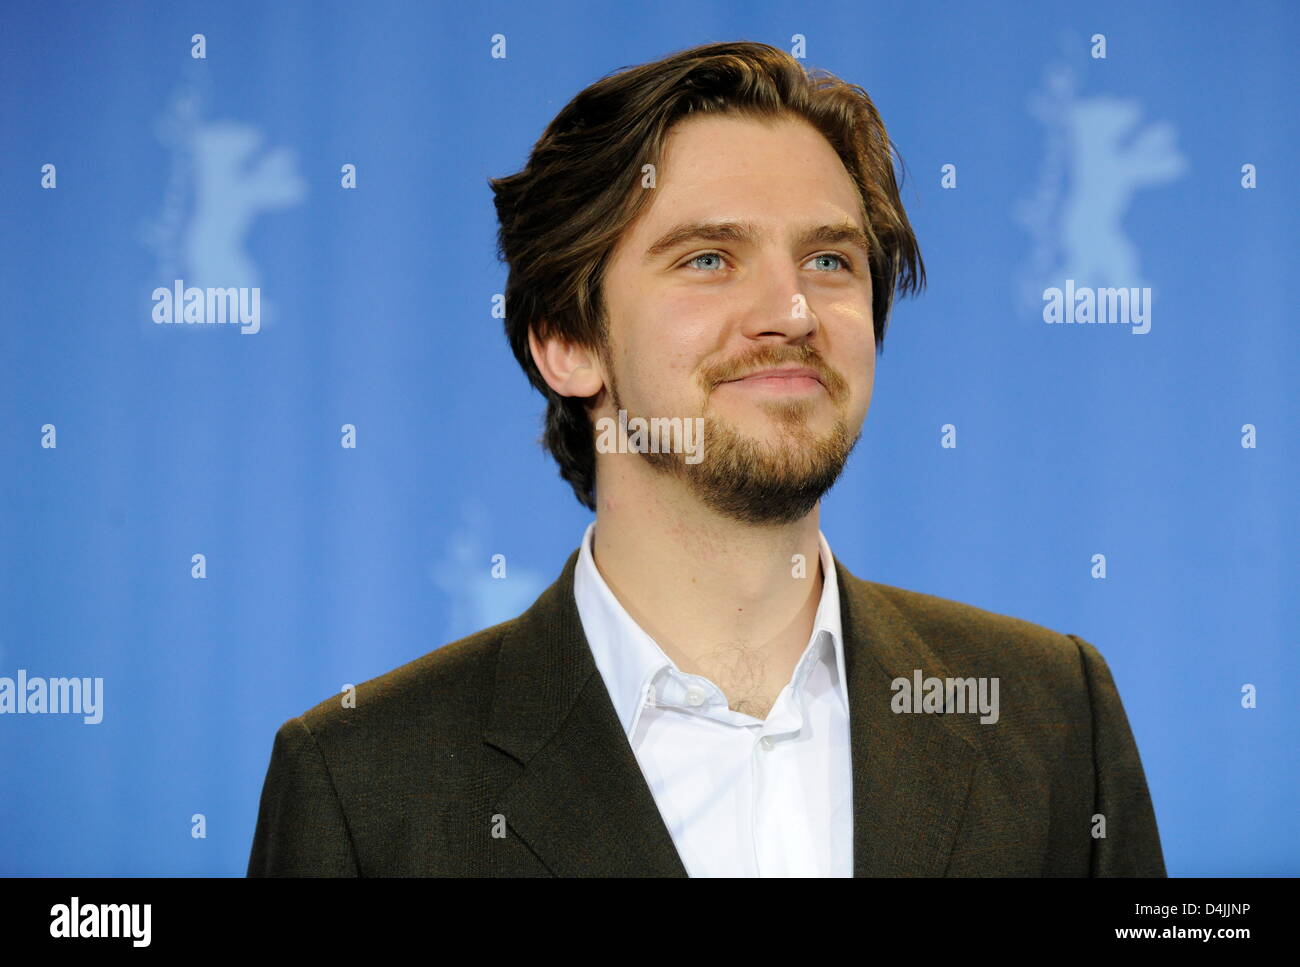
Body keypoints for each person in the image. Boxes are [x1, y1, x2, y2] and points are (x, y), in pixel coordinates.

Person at [247, 40, 1165, 877]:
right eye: (709, 259)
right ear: (568, 341)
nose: (791, 311)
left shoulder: (1048, 714)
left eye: (831, 261)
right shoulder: (365, 785)